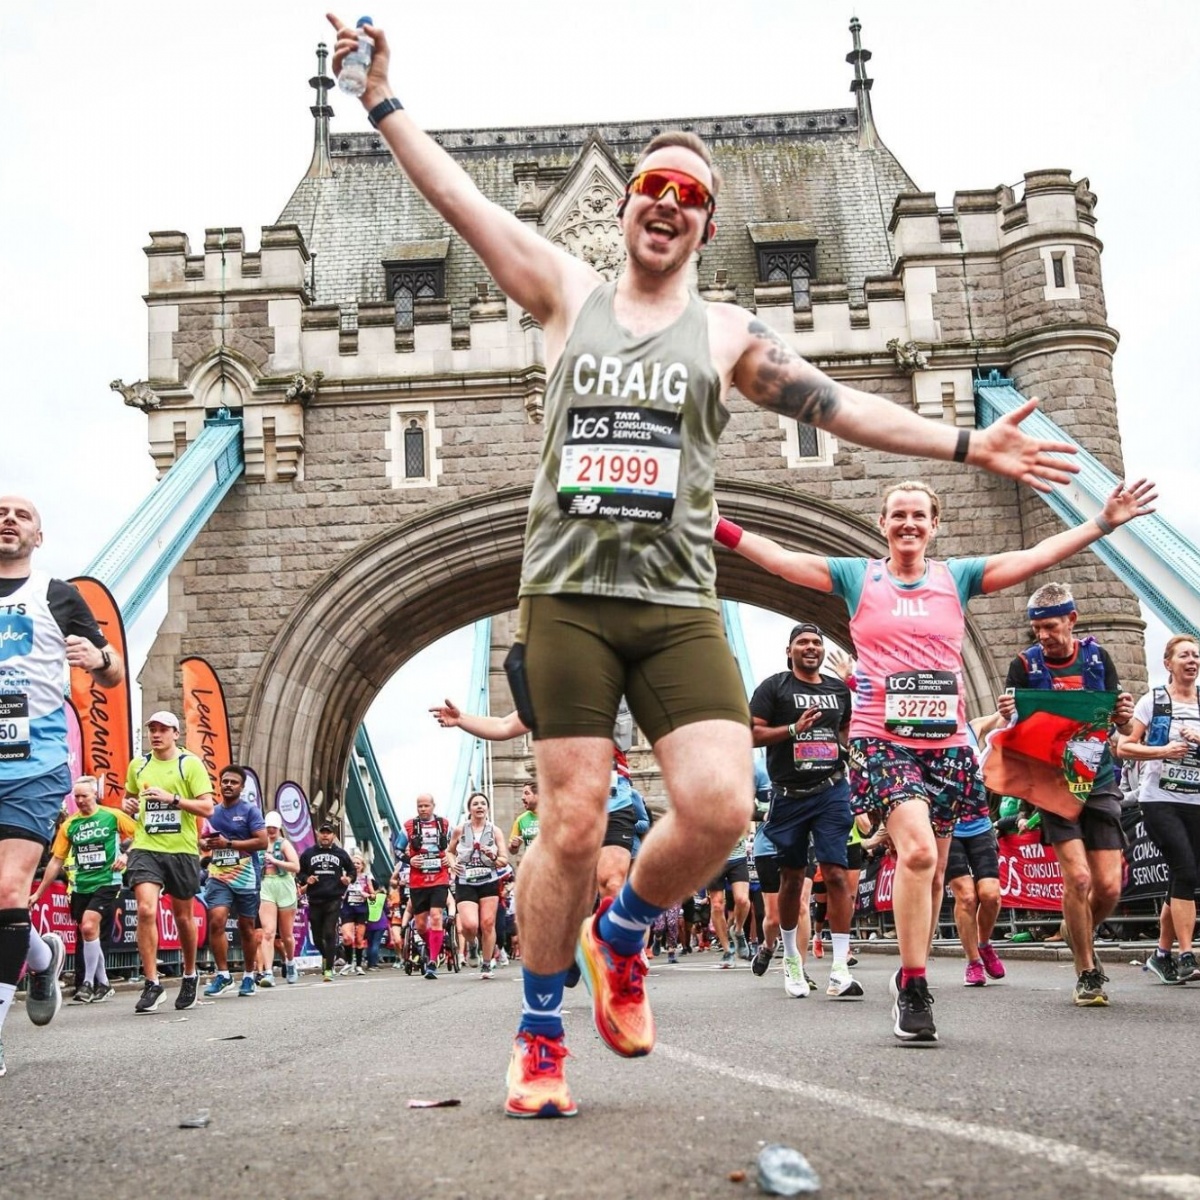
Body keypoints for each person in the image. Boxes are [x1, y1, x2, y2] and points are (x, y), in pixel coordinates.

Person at [330, 12, 1079, 1114]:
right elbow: (461, 202)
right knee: (573, 822)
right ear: (629, 205)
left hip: (678, 600)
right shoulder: (563, 295)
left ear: (706, 226)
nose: (667, 203)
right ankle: (541, 1040)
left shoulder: (726, 335)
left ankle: (623, 936)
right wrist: (381, 101)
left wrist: (969, 442)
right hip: (571, 596)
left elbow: (844, 405)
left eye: (688, 196)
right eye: (653, 187)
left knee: (723, 808)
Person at [719, 478, 1155, 1041]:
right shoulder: (860, 576)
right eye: (897, 514)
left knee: (930, 881)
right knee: (919, 854)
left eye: (918, 515)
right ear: (882, 523)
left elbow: (1032, 557)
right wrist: (718, 526)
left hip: (947, 746)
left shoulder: (957, 577)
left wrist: (1103, 522)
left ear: (934, 524)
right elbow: (779, 560)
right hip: (884, 738)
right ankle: (914, 987)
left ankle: (909, 969)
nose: (908, 523)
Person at [0, 495, 124, 1075]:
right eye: (0, 512)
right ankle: (42, 953)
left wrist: (96, 655)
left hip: (33, 764)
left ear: (38, 537)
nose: (8, 519)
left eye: (21, 514)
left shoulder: (55, 594)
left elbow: (114, 669)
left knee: (7, 890)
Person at [1001, 580, 1141, 1006]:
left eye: (1052, 626)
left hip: (1097, 778)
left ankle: (1074, 928)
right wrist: (1008, 716)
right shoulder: (1023, 665)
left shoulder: (1099, 659)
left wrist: (1124, 715)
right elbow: (1013, 733)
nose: (1044, 635)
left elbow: (1122, 728)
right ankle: (1087, 970)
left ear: (1072, 620)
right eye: (1038, 628)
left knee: (1110, 887)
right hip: (1053, 781)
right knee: (1077, 878)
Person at [751, 622, 857, 1000]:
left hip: (831, 790)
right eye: (803, 643)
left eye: (816, 642)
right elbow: (752, 734)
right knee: (793, 880)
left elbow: (846, 733)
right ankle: (792, 958)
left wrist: (854, 753)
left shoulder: (837, 689)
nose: (811, 647)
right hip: (789, 795)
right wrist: (793, 730)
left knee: (836, 875)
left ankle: (841, 968)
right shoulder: (774, 687)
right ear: (789, 650)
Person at [1118, 635, 1200, 985]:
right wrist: (1163, 751)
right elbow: (1124, 747)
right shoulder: (1154, 701)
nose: (1192, 660)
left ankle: (1160, 954)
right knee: (1185, 870)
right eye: (1184, 655)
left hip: (1196, 800)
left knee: (1183, 877)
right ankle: (1186, 955)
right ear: (1168, 663)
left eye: (1196, 655)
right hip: (1160, 800)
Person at [121, 711, 214, 1014]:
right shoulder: (139, 764)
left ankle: (189, 973)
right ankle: (152, 983)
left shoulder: (190, 764)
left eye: (163, 729)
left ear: (176, 733)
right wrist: (129, 803)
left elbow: (207, 808)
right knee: (146, 909)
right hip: (146, 846)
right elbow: (129, 797)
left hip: (182, 850)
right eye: (152, 730)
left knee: (183, 917)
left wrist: (172, 799)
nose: (156, 734)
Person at [29, 775, 136, 1004]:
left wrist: (126, 856)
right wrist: (38, 893)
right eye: (76, 796)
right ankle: (104, 983)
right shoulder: (70, 825)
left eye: (84, 796)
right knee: (89, 932)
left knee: (89, 925)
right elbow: (56, 860)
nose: (79, 800)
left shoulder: (112, 815)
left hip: (107, 881)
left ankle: (87, 983)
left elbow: (142, 835)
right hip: (81, 885)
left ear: (95, 794)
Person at [947, 717, 1007, 987]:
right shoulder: (921, 737)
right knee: (967, 896)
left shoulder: (971, 727)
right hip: (946, 828)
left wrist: (1009, 705)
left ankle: (984, 944)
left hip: (980, 824)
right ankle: (972, 962)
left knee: (990, 895)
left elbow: (1003, 714)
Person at [201, 765, 268, 998]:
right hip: (219, 872)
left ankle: (249, 975)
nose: (228, 785)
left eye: (234, 782)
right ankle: (223, 974)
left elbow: (262, 842)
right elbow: (202, 841)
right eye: (225, 781)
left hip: (246, 873)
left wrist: (228, 844)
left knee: (246, 927)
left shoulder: (250, 811)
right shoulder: (211, 812)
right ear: (219, 784)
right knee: (216, 920)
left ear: (242, 787)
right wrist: (205, 845)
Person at [448, 792, 508, 979]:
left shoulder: (495, 831)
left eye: (483, 803)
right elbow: (449, 852)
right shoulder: (459, 830)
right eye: (476, 804)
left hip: (488, 880)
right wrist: (452, 863)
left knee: (488, 923)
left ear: (487, 808)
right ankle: (473, 944)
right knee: (469, 925)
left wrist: (492, 856)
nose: (480, 806)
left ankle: (486, 963)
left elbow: (504, 860)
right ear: (470, 809)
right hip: (466, 880)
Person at [396, 795, 453, 981]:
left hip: (439, 879)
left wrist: (450, 859)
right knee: (420, 925)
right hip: (418, 881)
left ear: (433, 806)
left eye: (426, 805)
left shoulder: (445, 825)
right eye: (419, 806)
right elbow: (397, 849)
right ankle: (434, 946)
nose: (422, 809)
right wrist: (409, 859)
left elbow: (457, 847)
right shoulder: (408, 826)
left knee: (436, 917)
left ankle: (432, 961)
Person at [298, 823, 355, 983]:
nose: (325, 836)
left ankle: (329, 969)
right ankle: (327, 956)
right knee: (317, 937)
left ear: (333, 836)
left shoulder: (341, 854)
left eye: (328, 833)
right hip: (315, 898)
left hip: (333, 898)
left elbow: (352, 871)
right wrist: (306, 879)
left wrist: (348, 879)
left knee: (329, 933)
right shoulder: (309, 854)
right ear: (318, 835)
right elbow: (300, 872)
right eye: (322, 833)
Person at [257, 811, 300, 984]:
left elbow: (296, 866)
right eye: (268, 828)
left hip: (284, 885)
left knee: (286, 935)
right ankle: (268, 972)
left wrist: (276, 861)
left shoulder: (284, 844)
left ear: (279, 828)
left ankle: (290, 962)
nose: (271, 831)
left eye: (274, 828)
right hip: (266, 885)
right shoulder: (260, 843)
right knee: (268, 932)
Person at [338, 851, 375, 976]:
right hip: (348, 908)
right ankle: (349, 963)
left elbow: (374, 896)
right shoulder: (346, 877)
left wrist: (368, 895)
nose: (356, 865)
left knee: (359, 939)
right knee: (347, 937)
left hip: (361, 909)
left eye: (358, 863)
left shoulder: (366, 877)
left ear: (362, 865)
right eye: (353, 863)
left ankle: (358, 965)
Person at [509, 782, 540, 857]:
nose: (522, 797)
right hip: (531, 865)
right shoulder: (521, 819)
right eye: (523, 794)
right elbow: (512, 851)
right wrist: (514, 846)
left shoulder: (553, 817)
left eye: (527, 793)